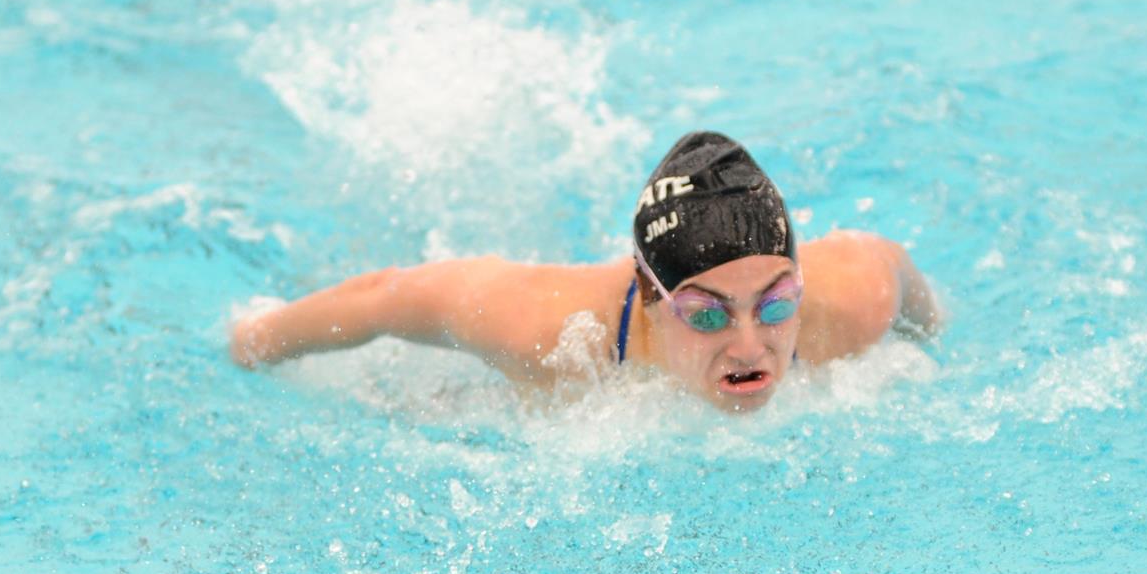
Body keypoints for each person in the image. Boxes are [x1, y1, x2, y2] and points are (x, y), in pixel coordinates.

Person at [229, 131, 942, 411]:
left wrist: (934, 333)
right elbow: (384, 297)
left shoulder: (850, 301)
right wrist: (257, 340)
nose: (751, 343)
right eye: (708, 313)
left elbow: (902, 277)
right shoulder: (546, 327)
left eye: (775, 302)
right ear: (649, 293)